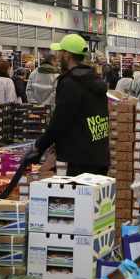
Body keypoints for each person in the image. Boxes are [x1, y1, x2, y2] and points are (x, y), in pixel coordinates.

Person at [30, 35, 110, 177]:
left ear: (67, 55)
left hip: (81, 158)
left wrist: (39, 146)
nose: (58, 56)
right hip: (100, 154)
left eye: (60, 52)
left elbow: (60, 121)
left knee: (80, 199)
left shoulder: (71, 83)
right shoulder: (94, 79)